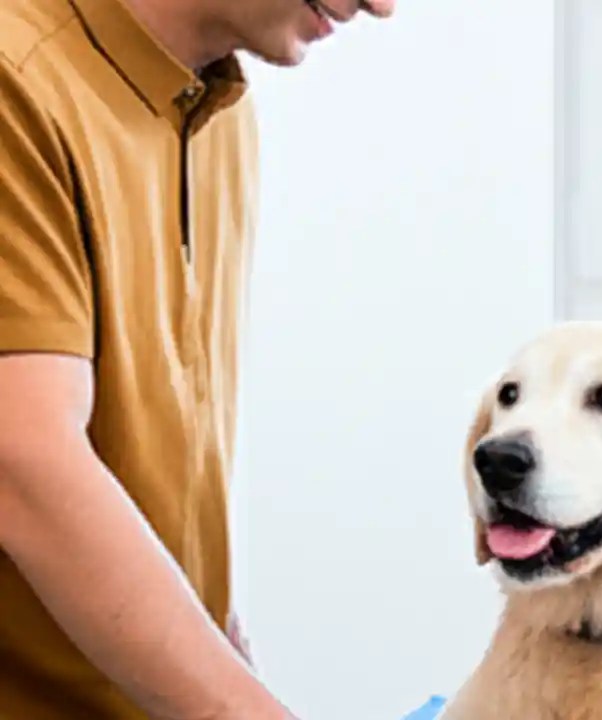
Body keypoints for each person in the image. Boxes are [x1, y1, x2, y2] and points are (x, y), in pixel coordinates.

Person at [0, 0, 392, 717]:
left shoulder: (217, 113)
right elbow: (22, 465)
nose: (382, 5)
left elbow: (158, 466)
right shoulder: (14, 77)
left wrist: (229, 656)